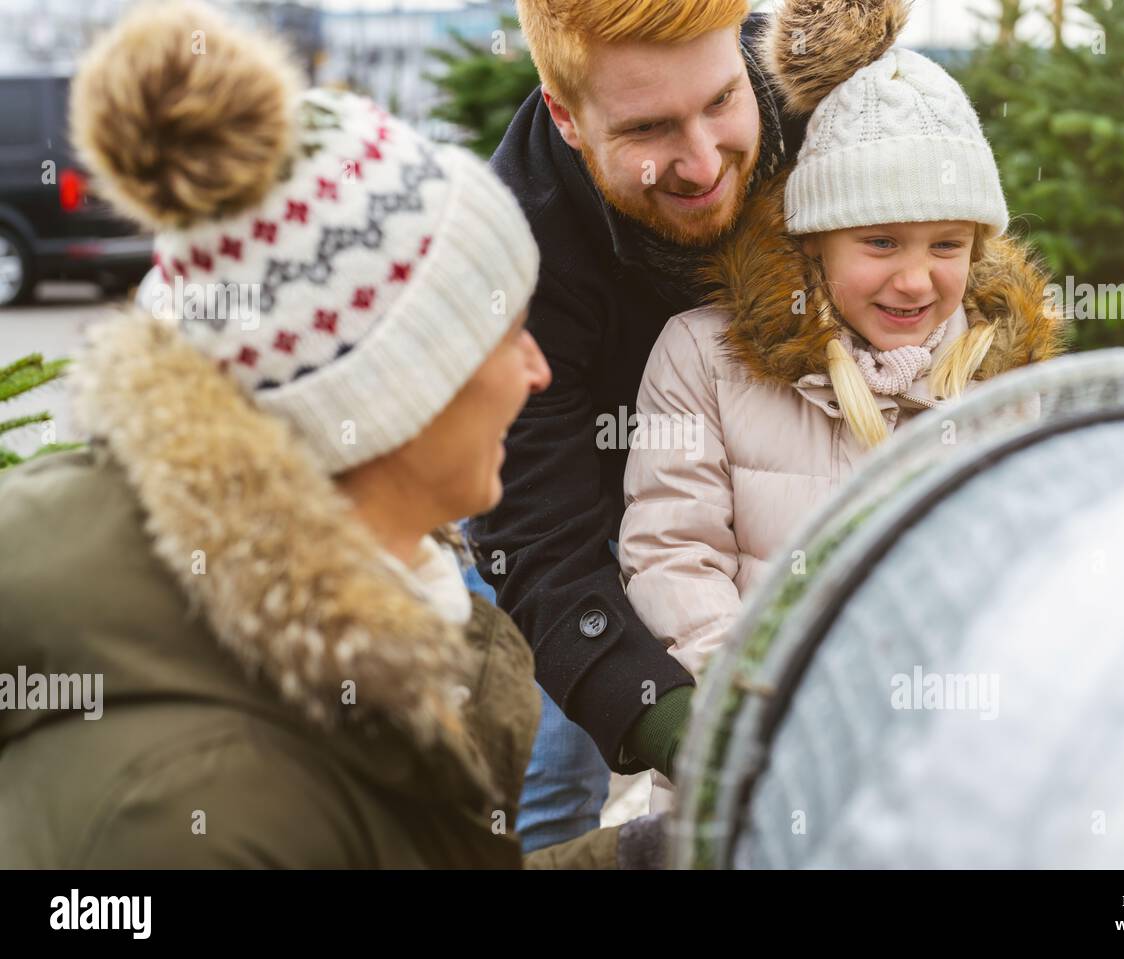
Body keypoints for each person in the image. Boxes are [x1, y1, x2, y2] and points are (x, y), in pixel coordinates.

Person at [0, 0, 659, 868]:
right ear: (389, 394)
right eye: (505, 333)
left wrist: (648, 855)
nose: (537, 373)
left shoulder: (352, 605)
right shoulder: (200, 812)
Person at [469, 0, 905, 828]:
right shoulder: (514, 248)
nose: (703, 163)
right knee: (549, 777)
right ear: (566, 116)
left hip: (765, 488)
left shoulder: (810, 100)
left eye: (719, 103)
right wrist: (689, 734)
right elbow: (529, 526)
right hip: (583, 511)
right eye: (648, 130)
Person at [619, 27, 1069, 806]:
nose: (916, 279)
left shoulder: (1004, 381)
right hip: (756, 770)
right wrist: (753, 724)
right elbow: (672, 554)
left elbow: (1026, 574)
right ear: (816, 238)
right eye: (881, 241)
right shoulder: (704, 358)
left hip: (934, 776)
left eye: (947, 244)